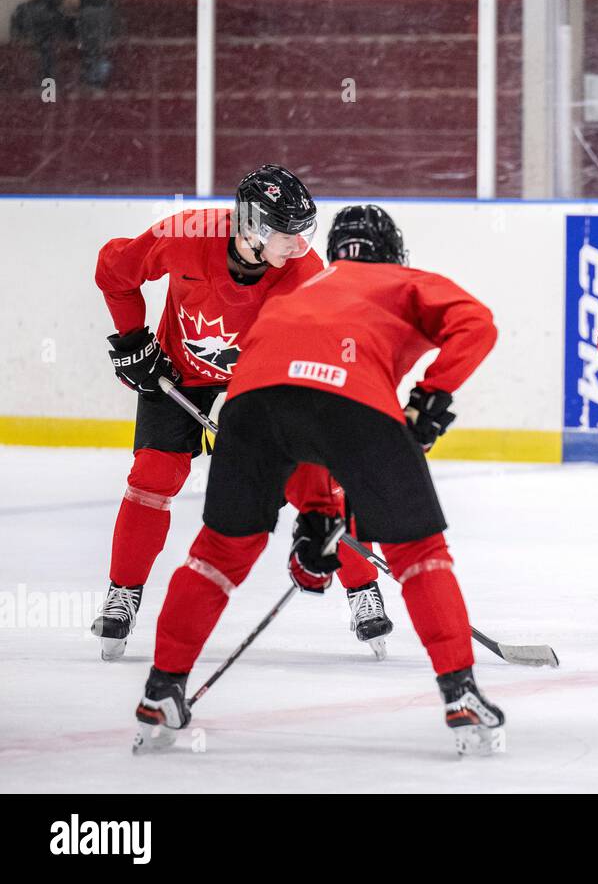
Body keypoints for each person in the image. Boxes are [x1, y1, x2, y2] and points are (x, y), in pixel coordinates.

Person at [132, 206, 506, 756]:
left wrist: (318, 517)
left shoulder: (300, 290)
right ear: (395, 252)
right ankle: (461, 694)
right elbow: (478, 325)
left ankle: (161, 690)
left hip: (251, 403)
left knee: (217, 553)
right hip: (354, 403)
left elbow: (296, 400)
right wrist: (433, 395)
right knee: (419, 552)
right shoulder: (404, 281)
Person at [90, 167, 390, 661]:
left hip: (258, 380)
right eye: (288, 234)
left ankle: (362, 589)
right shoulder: (185, 235)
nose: (298, 245)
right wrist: (130, 340)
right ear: (252, 228)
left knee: (316, 479)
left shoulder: (304, 273)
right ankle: (123, 594)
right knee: (152, 476)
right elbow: (112, 269)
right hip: (177, 373)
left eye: (303, 233)